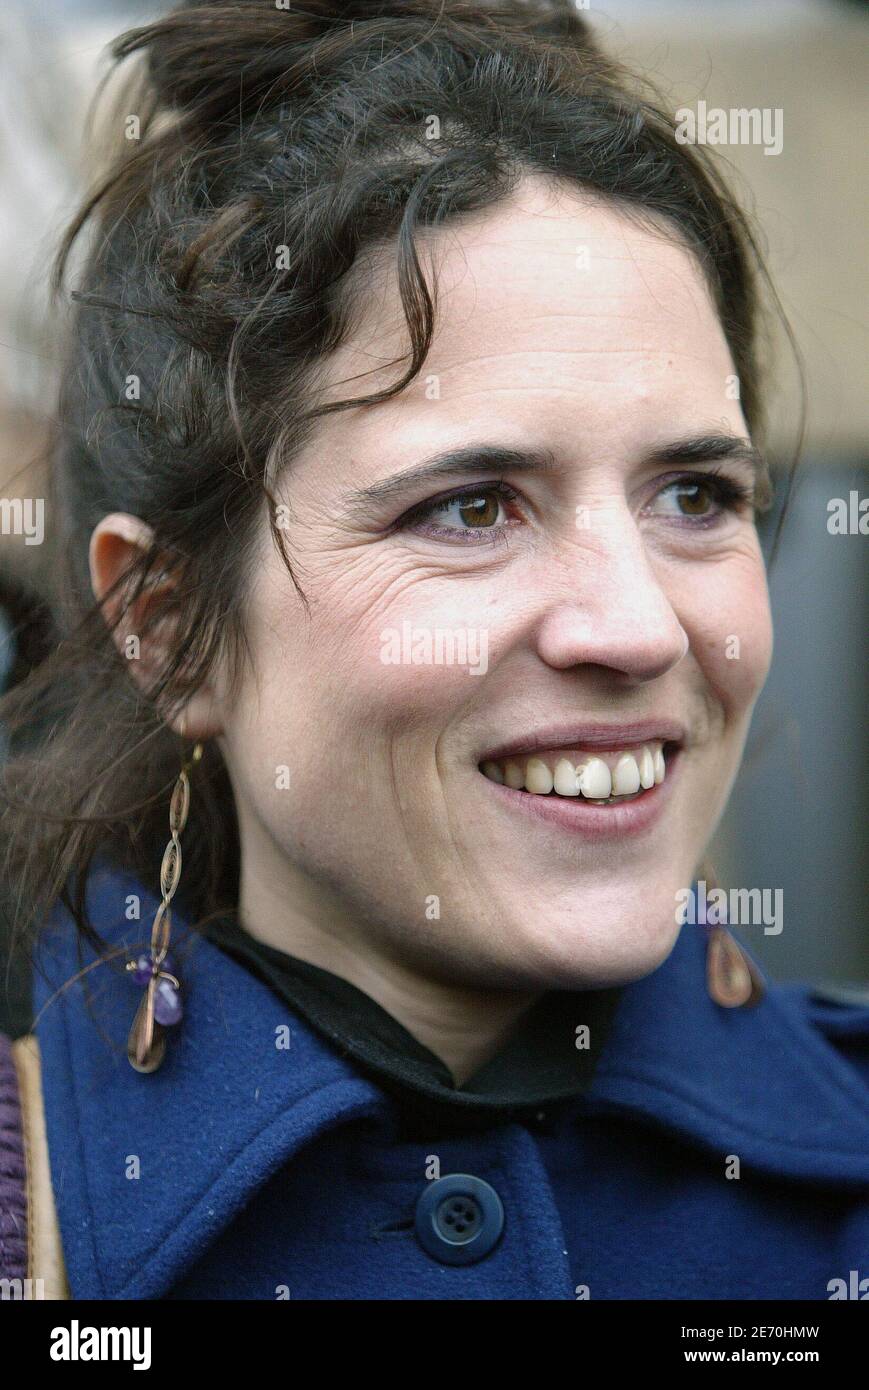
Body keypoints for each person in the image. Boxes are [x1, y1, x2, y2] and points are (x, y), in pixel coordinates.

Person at [1, 0, 866, 1302]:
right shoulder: (43, 1223)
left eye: (693, 494)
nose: (634, 624)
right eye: (468, 508)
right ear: (169, 627)